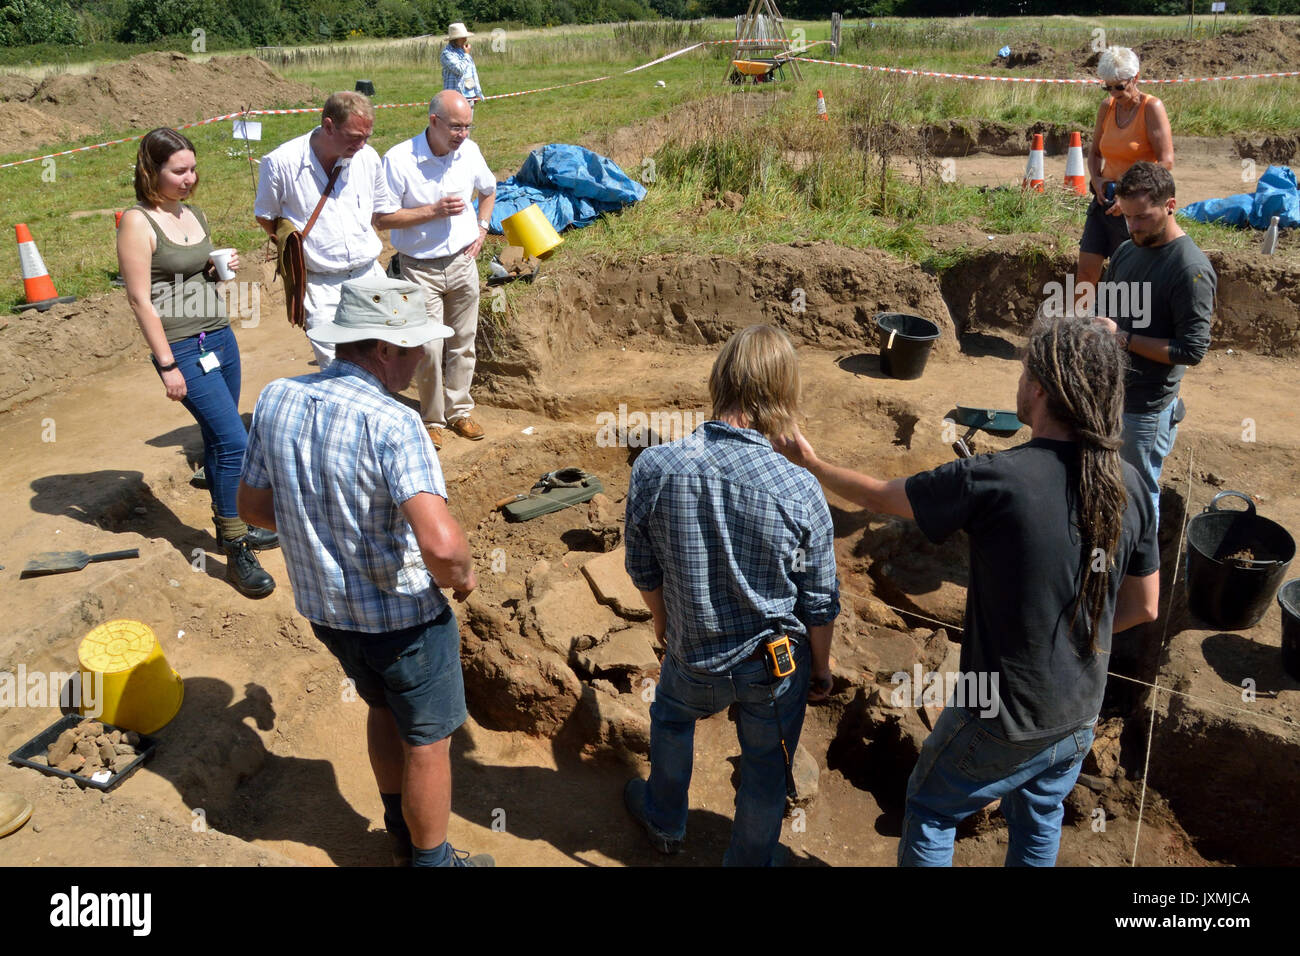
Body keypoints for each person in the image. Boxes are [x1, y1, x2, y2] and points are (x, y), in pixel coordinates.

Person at [774, 317, 1161, 866]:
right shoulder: (1132, 483)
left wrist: (811, 464)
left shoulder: (995, 477)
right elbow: (1144, 606)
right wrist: (1072, 634)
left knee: (932, 809)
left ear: (1041, 390)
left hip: (1001, 713)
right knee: (1038, 816)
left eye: (1024, 371)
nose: (1019, 382)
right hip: (1079, 711)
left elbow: (884, 498)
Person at [237, 277, 490, 867]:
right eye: (416, 347)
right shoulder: (394, 422)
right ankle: (432, 862)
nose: (423, 357)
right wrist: (464, 579)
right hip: (404, 620)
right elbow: (444, 544)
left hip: (328, 612)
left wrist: (315, 526)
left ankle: (400, 836)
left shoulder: (277, 397)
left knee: (381, 708)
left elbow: (251, 508)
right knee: (428, 742)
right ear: (383, 349)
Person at [622, 325, 840, 867]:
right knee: (767, 769)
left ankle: (665, 821)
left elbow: (641, 565)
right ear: (784, 395)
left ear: (720, 380)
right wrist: (820, 667)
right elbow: (818, 598)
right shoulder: (798, 487)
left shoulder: (655, 465)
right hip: (772, 664)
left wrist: (662, 623)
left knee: (672, 719)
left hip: (692, 650)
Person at [117, 127, 277, 599]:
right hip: (182, 347)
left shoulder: (193, 212)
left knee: (218, 438)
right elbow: (139, 298)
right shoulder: (137, 222)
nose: (190, 178)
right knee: (234, 442)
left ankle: (237, 521)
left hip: (220, 338)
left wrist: (212, 267)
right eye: (178, 171)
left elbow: (187, 271)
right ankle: (235, 545)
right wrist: (166, 364)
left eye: (192, 169)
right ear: (152, 171)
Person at [1095, 161, 1214, 524]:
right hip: (1111, 394)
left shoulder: (1189, 269)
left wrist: (1124, 339)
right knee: (1107, 485)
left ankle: (1139, 574)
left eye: (1142, 217)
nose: (1132, 227)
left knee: (1139, 497)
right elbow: (1107, 310)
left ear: (1170, 206)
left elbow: (1191, 350)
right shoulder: (1129, 250)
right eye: (1127, 217)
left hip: (1146, 408)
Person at [382, 90, 496, 449]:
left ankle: (459, 410)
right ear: (434, 121)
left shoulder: (470, 152)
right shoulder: (399, 160)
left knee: (463, 342)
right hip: (419, 268)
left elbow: (489, 189)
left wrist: (482, 227)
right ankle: (432, 419)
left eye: (467, 126)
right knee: (429, 347)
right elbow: (382, 217)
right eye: (456, 127)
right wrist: (432, 211)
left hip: (463, 262)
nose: (462, 134)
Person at [254, 91, 398, 369]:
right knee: (337, 373)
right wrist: (295, 250)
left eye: (367, 136)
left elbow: (378, 210)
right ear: (329, 126)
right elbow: (266, 216)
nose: (362, 144)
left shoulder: (368, 158)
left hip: (370, 276)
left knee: (381, 364)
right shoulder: (281, 162)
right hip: (321, 287)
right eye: (355, 136)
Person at [1076, 46, 1174, 306]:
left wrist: (1131, 198)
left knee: (1129, 279)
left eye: (1119, 87)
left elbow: (1166, 161)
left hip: (1137, 207)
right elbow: (1095, 152)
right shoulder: (1107, 107)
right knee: (1086, 272)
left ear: (1135, 78)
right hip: (1104, 201)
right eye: (1107, 87)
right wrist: (1096, 181)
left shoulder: (1151, 107)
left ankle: (1126, 336)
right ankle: (1076, 333)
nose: (1114, 94)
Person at [440, 23, 484, 103]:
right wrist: (466, 54)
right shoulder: (447, 53)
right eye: (462, 37)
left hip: (469, 95)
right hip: (454, 97)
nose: (465, 39)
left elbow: (471, 73)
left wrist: (475, 92)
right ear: (455, 39)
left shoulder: (462, 51)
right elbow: (459, 70)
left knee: (469, 116)